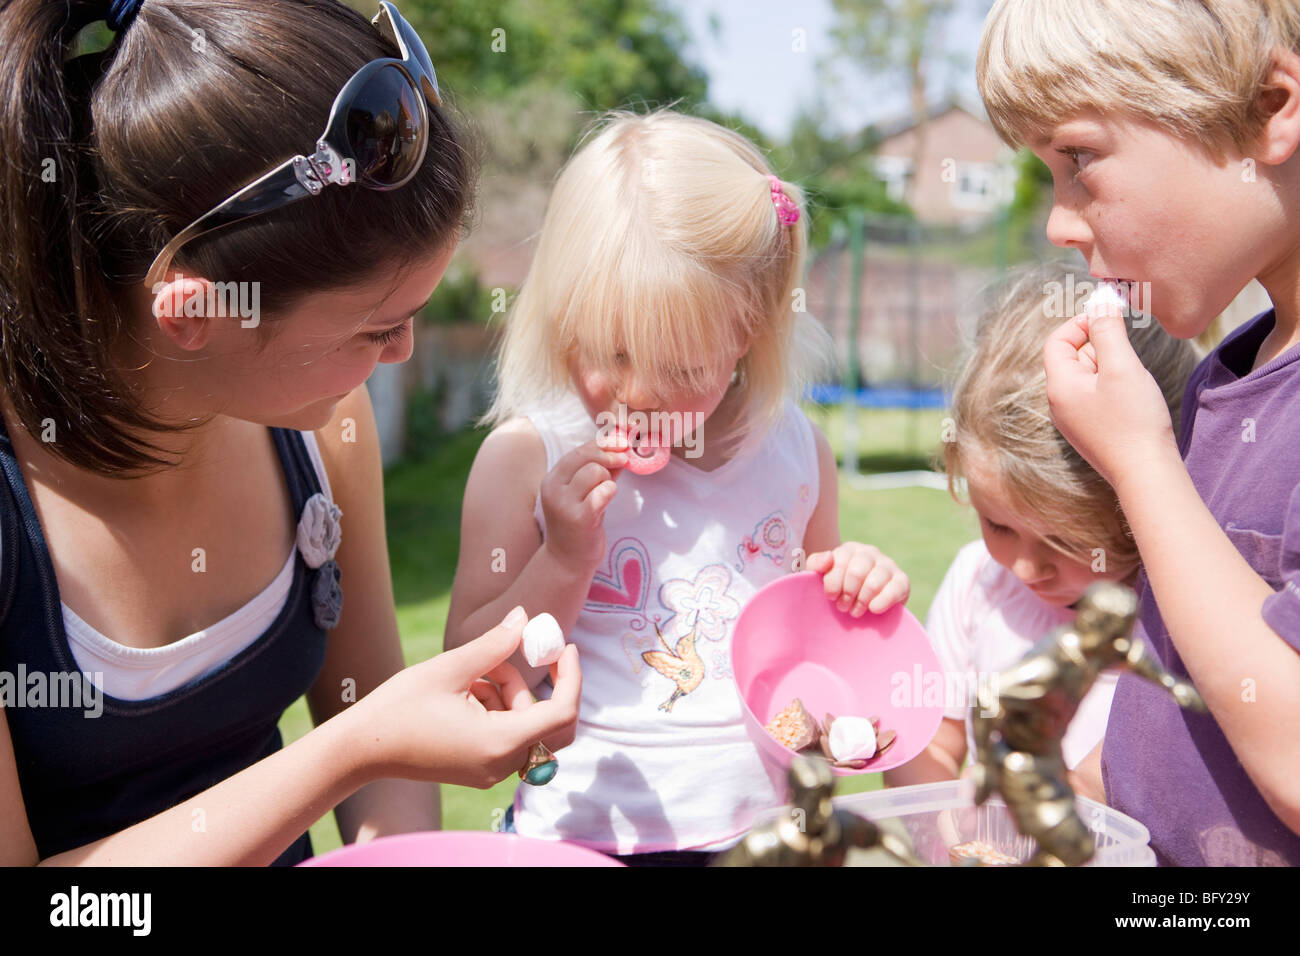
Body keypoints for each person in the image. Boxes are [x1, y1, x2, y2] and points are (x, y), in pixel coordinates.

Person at [0, 0, 578, 867]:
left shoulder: (326, 432)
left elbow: (375, 728)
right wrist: (352, 752)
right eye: (376, 329)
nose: (403, 353)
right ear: (195, 309)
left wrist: (387, 775)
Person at [445, 108, 911, 864]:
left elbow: (811, 639)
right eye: (610, 353)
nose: (638, 395)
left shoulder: (797, 455)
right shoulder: (526, 458)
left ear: (748, 330)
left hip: (765, 838)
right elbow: (472, 669)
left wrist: (855, 586)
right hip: (582, 835)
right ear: (561, 317)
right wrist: (564, 555)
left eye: (684, 370)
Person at [978, 0, 1300, 865]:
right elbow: (1185, 709)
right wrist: (1070, 801)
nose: (1058, 220)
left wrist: (1139, 460)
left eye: (1080, 158)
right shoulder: (1220, 383)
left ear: (1272, 112)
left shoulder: (1158, 437)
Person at [885, 265, 1197, 792]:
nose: (1026, 569)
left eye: (1069, 541)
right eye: (998, 525)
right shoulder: (978, 584)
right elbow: (937, 744)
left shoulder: (1181, 622)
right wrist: (947, 821)